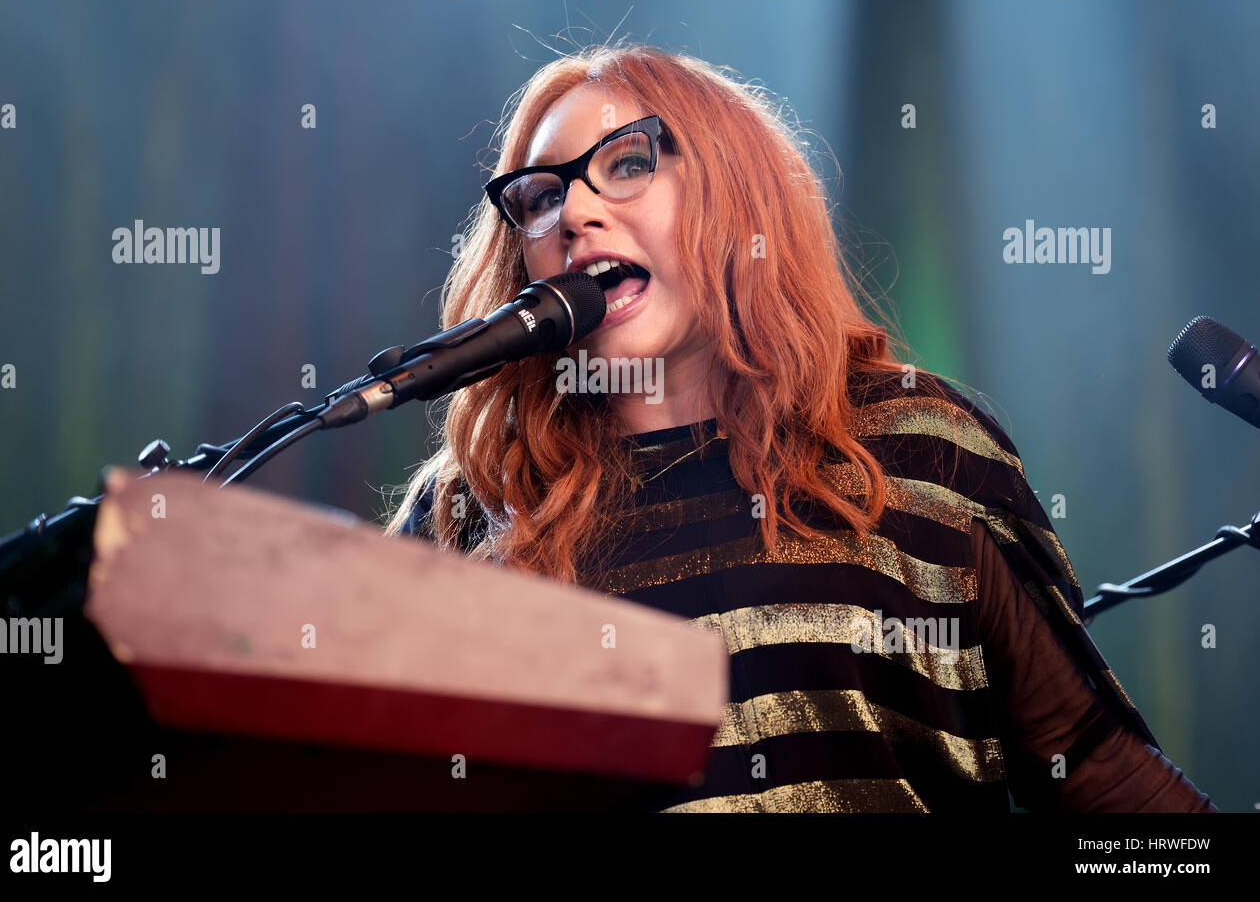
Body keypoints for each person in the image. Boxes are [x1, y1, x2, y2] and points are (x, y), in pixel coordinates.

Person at [387, 42, 1217, 812]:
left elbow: (1092, 763)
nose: (573, 213)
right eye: (539, 196)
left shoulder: (922, 450)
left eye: (628, 163)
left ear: (736, 194)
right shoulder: (472, 504)